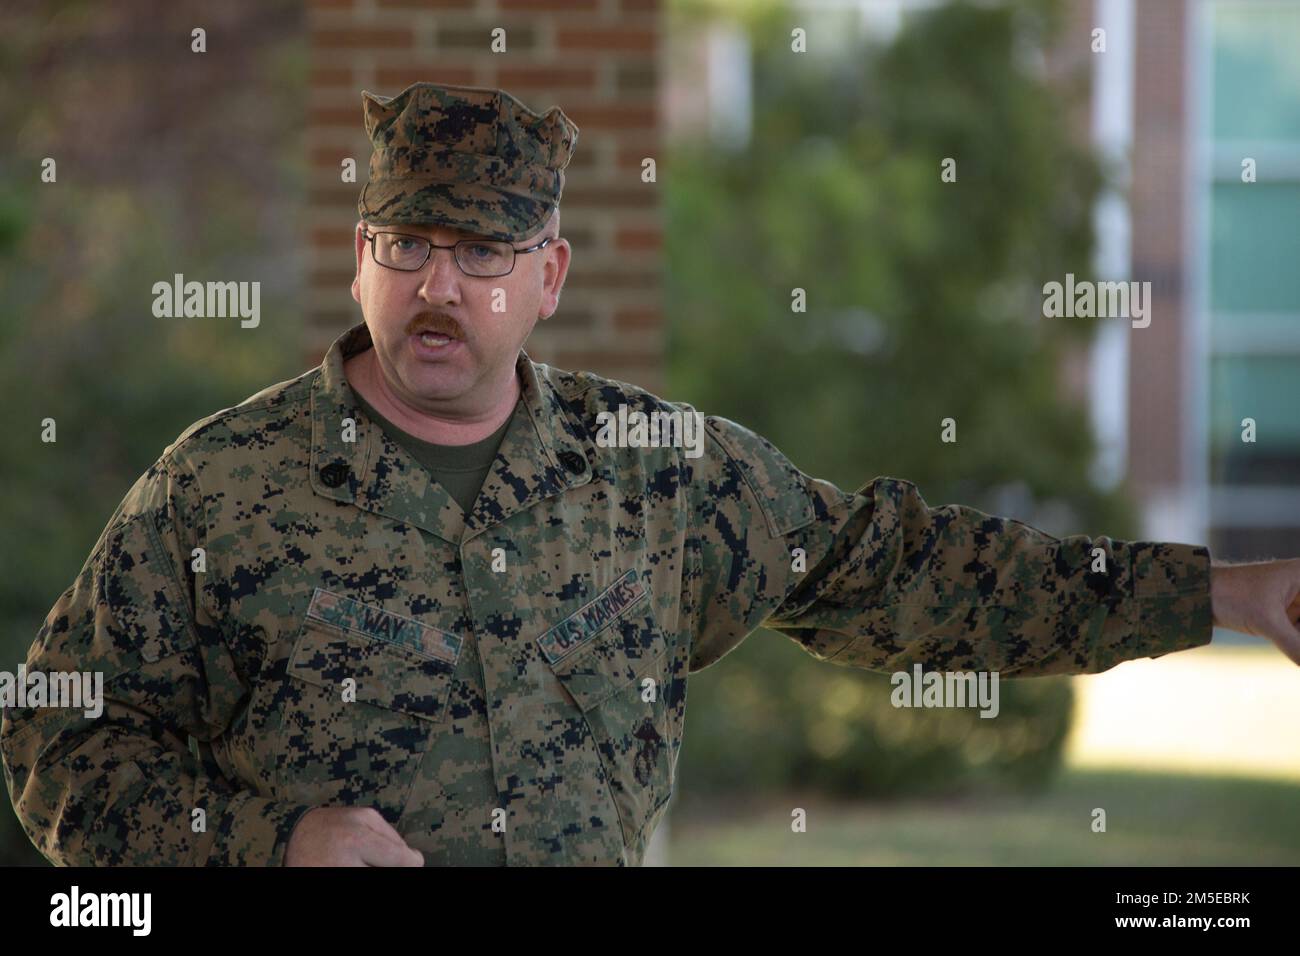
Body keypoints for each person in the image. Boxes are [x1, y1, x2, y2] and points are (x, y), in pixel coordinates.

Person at [3, 82, 1297, 867]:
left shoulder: (659, 479)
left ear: (551, 275)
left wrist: (1224, 596)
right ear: (359, 257)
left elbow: (919, 577)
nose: (437, 287)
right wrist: (265, 847)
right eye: (405, 246)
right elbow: (53, 730)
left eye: (482, 253)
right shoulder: (220, 487)